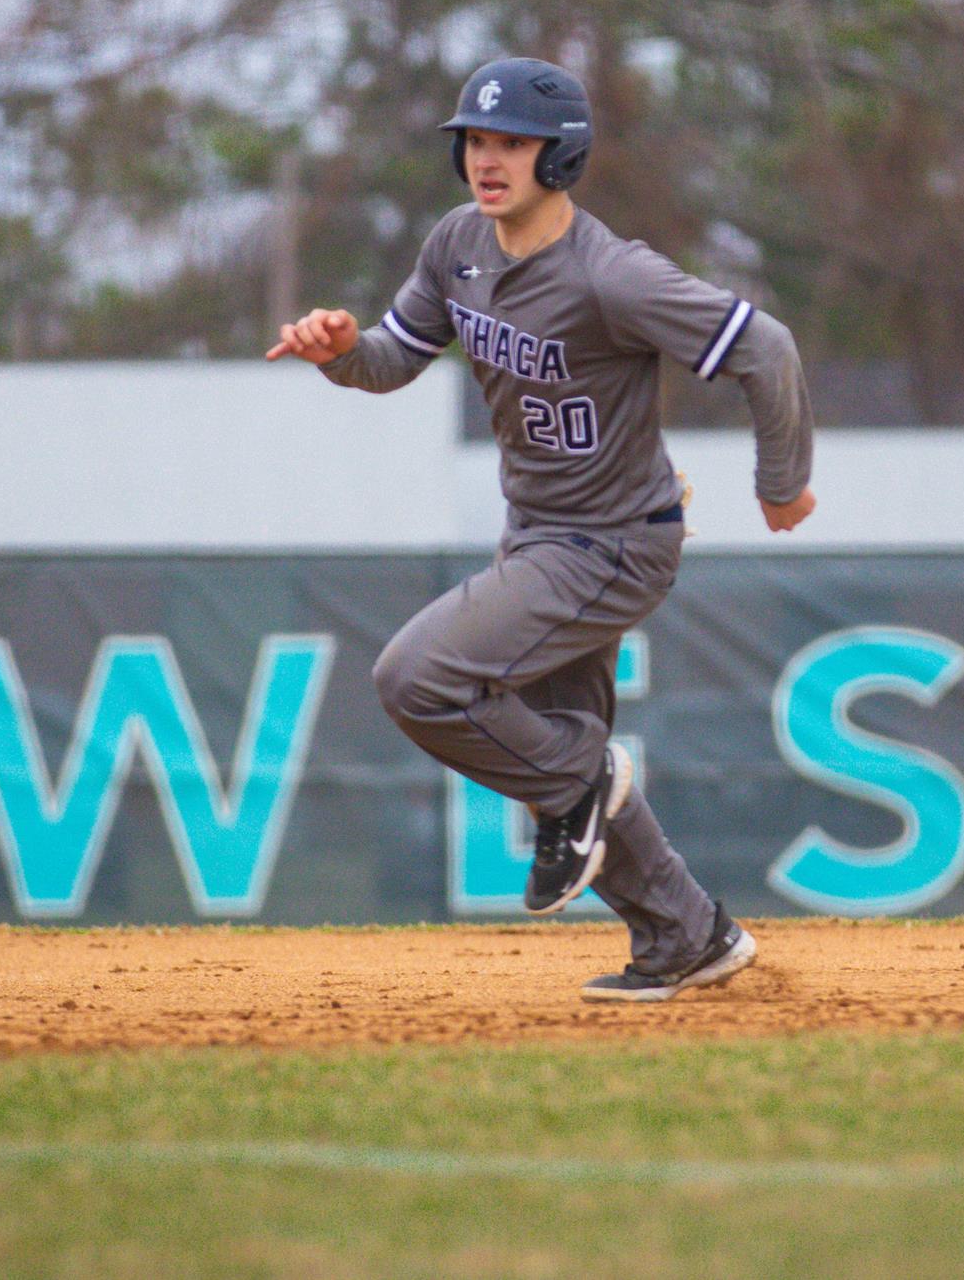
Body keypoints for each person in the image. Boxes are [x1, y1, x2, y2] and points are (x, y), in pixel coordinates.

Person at [266, 56, 815, 1002]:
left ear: (558, 156)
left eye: (511, 141)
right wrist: (343, 351)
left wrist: (783, 483)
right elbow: (398, 358)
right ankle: (687, 936)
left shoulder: (612, 275)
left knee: (419, 677)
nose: (488, 158)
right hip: (540, 538)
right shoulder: (457, 246)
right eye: (475, 140)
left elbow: (765, 348)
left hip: (614, 542)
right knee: (556, 746)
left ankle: (581, 788)